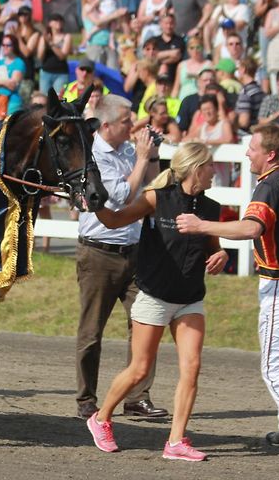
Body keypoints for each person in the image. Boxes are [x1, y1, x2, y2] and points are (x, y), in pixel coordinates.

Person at [176, 124, 279, 469]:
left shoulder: (268, 186)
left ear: (270, 154)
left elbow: (252, 228)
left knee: (274, 368)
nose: (247, 153)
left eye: (252, 148)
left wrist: (201, 225)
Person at [84, 142, 226, 461]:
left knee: (192, 367)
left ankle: (176, 441)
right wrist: (92, 203)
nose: (214, 172)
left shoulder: (210, 208)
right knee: (139, 369)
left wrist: (220, 255)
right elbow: (114, 221)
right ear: (194, 169)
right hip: (155, 297)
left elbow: (213, 247)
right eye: (210, 167)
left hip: (190, 298)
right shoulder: (156, 199)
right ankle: (101, 418)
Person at [76, 93, 168, 421]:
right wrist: (142, 158)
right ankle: (86, 399)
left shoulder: (130, 150)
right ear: (107, 125)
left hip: (135, 250)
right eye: (127, 121)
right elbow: (120, 197)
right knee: (91, 330)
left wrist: (152, 155)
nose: (134, 125)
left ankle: (137, 397)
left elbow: (155, 186)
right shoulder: (92, 157)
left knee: (146, 324)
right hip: (99, 252)